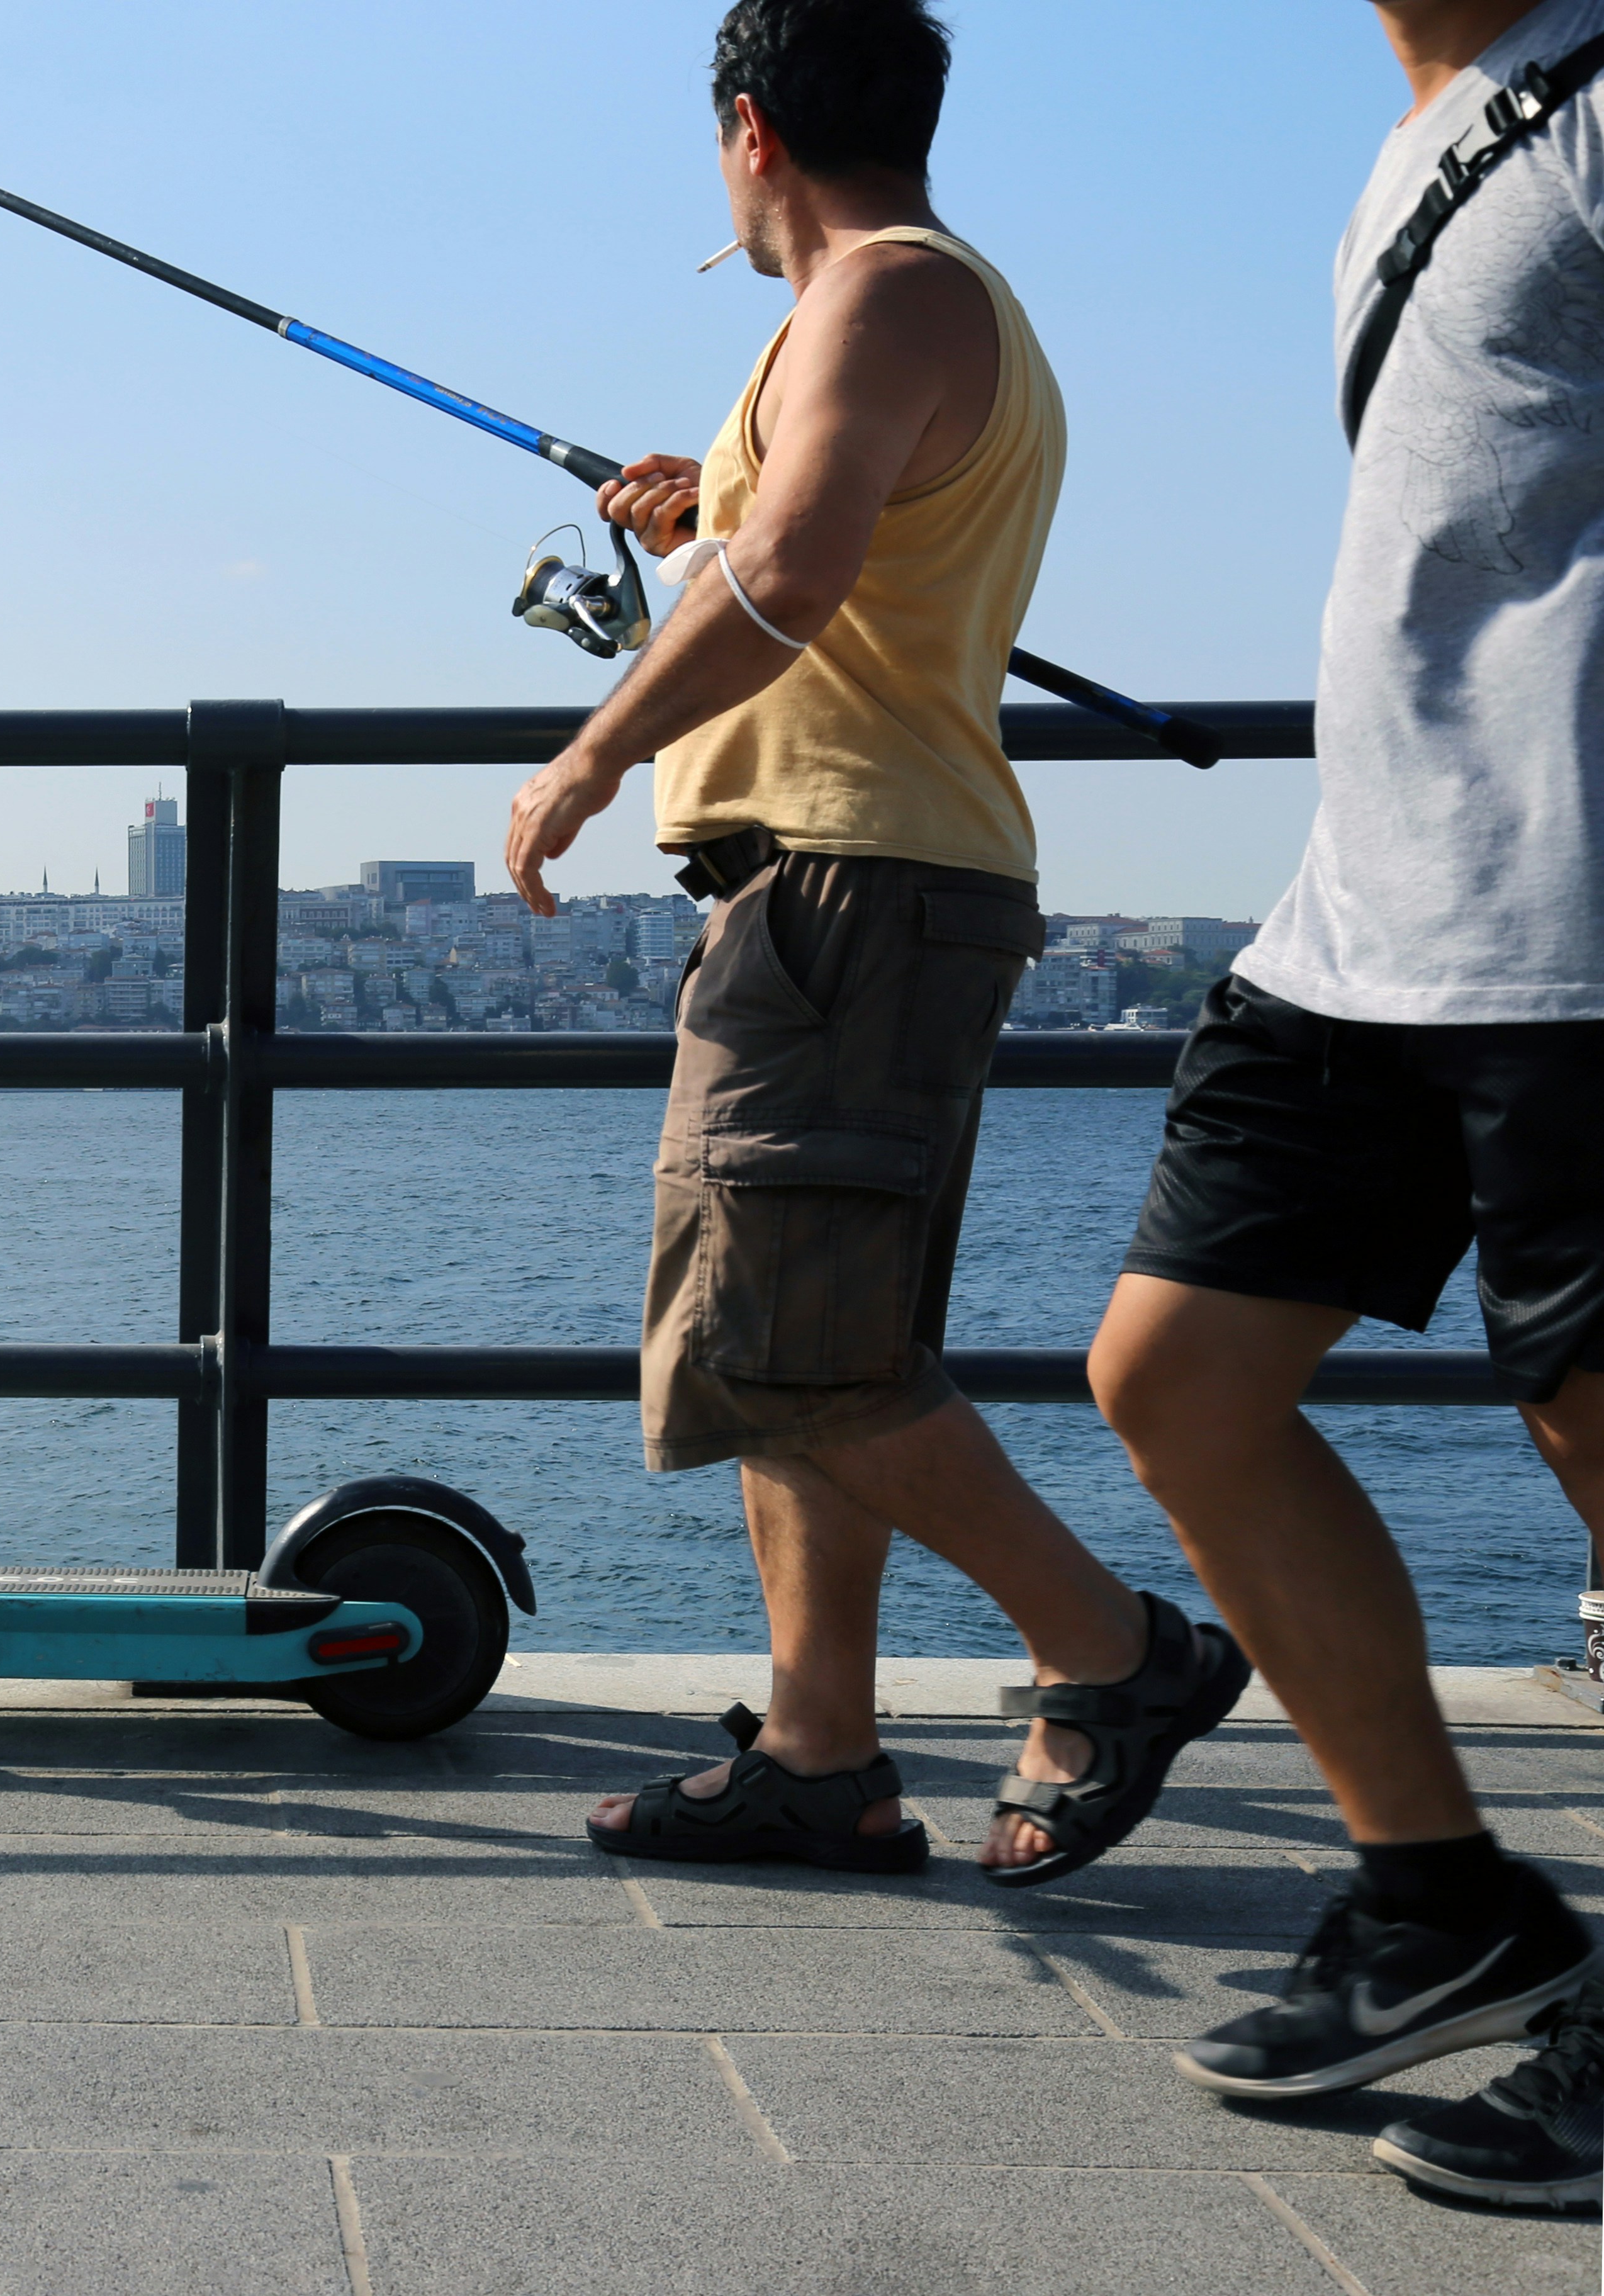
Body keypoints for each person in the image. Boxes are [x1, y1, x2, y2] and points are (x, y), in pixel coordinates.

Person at [505, 0, 1250, 1886]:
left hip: (854, 883)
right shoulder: (884, 318)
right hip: (847, 884)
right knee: (813, 1335)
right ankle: (822, 1753)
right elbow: (811, 557)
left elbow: (804, 580)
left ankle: (1119, 1655)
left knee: (779, 1346)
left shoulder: (889, 297)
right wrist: (718, 508)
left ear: (751, 131)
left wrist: (592, 752)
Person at [1085, 0, 1604, 2213]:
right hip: (1368, 904)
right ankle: (1442, 1901)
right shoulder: (1426, 140)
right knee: (1178, 1374)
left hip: (1581, 899)